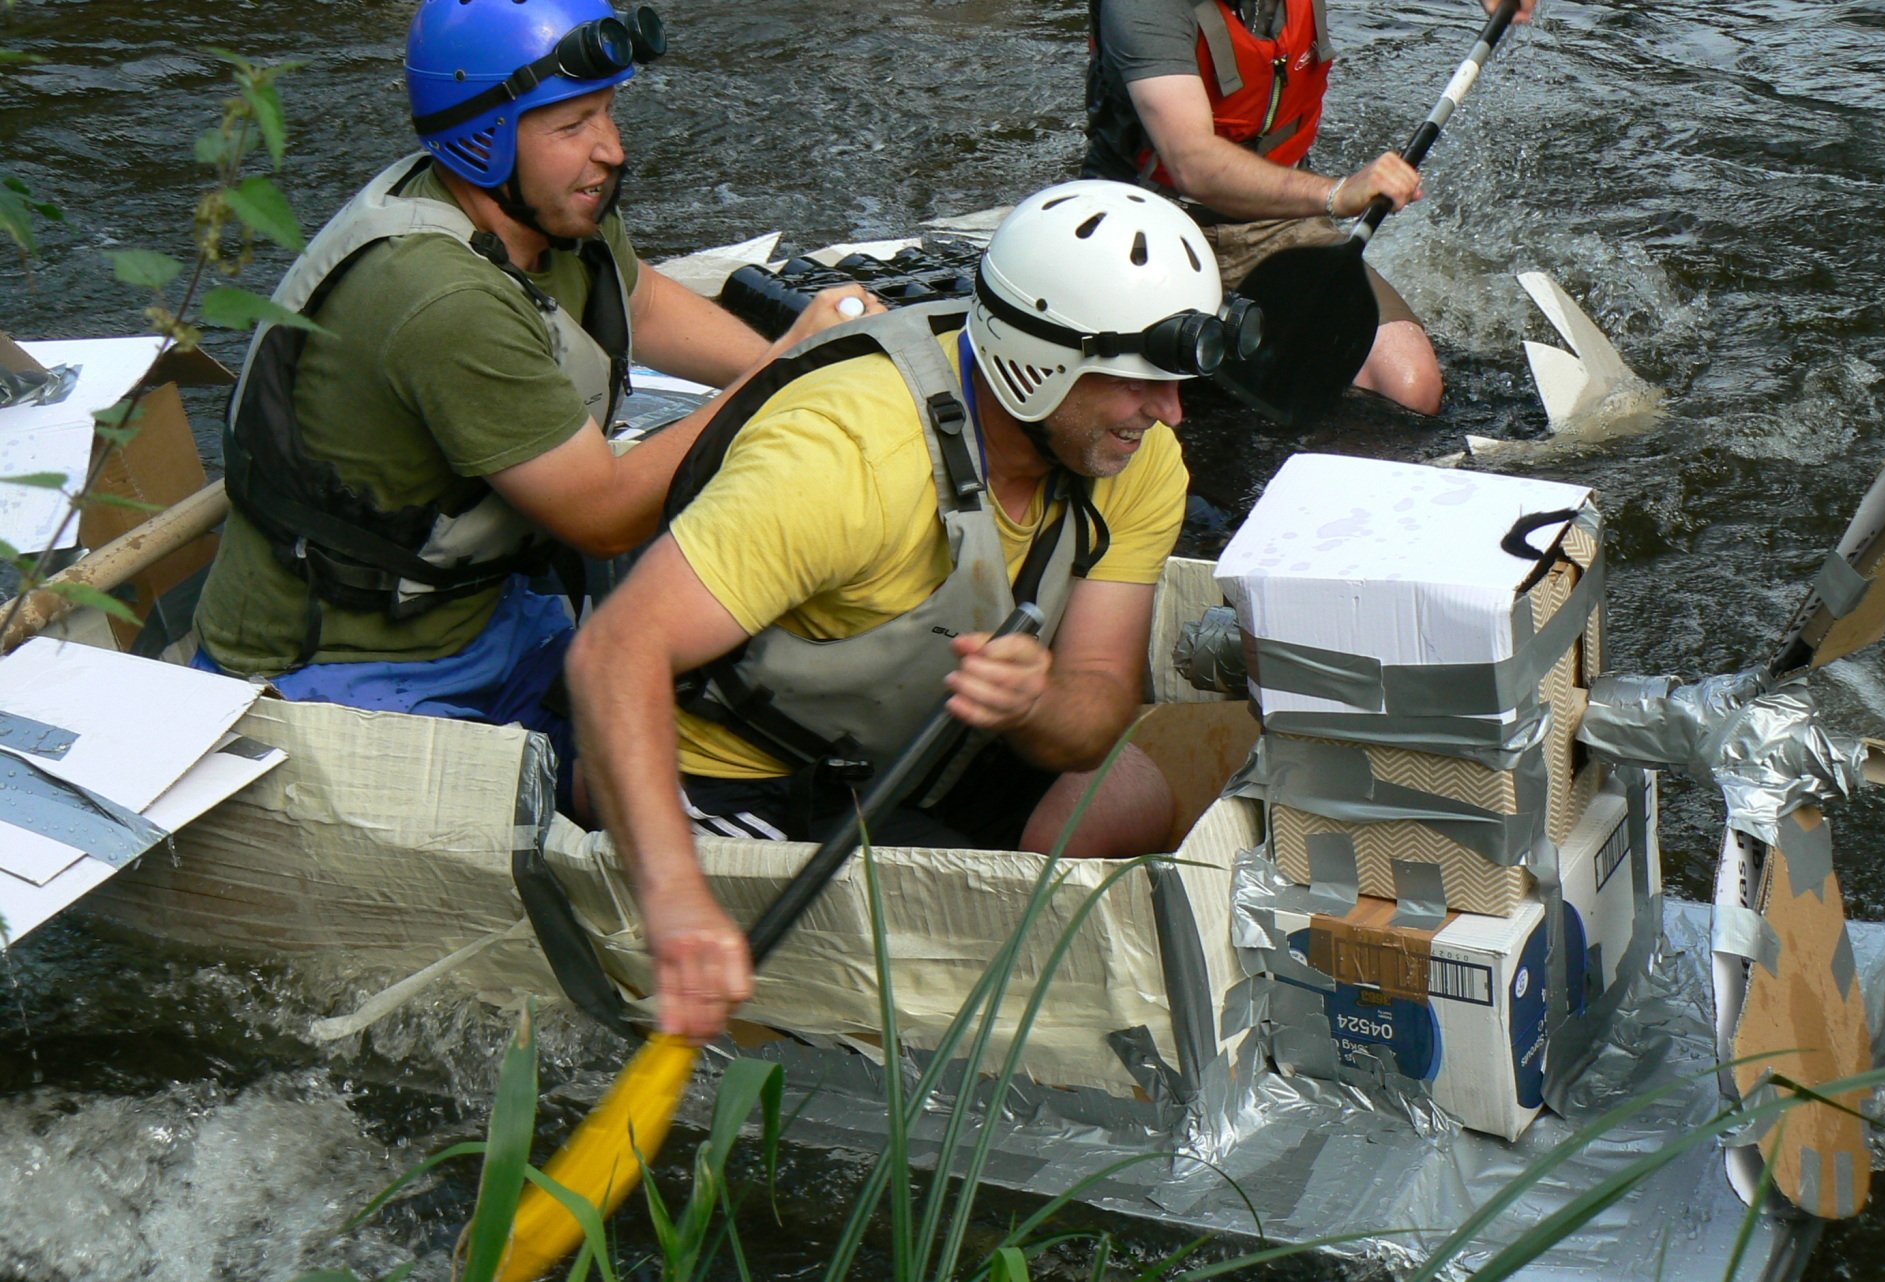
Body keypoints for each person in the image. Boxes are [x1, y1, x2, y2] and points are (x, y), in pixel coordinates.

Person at [566, 179, 1254, 1041]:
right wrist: (674, 903)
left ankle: (1010, 936)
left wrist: (1037, 704)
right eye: (1137, 384)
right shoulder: (844, 454)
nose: (1169, 413)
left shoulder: (1140, 459)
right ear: (1041, 366)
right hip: (731, 772)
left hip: (923, 747)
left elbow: (1100, 697)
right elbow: (611, 653)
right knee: (942, 937)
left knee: (1135, 791)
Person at [190, 0, 869, 808]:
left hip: (493, 615)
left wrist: (790, 361)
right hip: (345, 668)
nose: (610, 150)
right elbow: (606, 517)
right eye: (574, 124)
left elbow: (637, 301)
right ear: (483, 139)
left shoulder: (544, 209)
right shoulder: (442, 298)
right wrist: (785, 373)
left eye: (610, 113)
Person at [1082, 0, 1535, 415]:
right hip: (1154, 227)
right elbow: (1191, 162)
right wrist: (1337, 193)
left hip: (1278, 224)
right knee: (1138, 409)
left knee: (1409, 388)